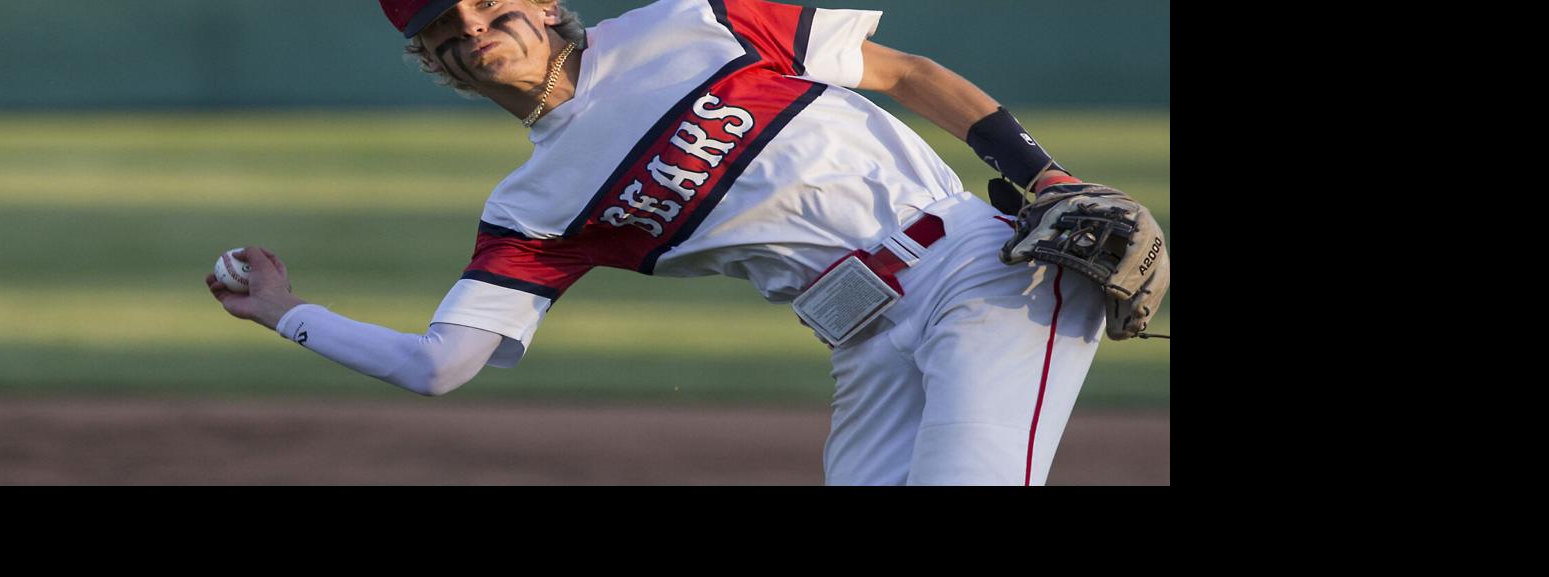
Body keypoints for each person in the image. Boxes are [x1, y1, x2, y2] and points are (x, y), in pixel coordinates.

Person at [206, 0, 1167, 485]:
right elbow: (438, 368)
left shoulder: (695, 23)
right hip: (863, 342)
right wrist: (290, 315)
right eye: (446, 30)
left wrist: (1043, 175)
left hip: (978, 271)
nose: (474, 27)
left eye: (493, 6)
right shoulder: (533, 207)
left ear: (543, 7)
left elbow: (903, 71)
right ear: (434, 60)